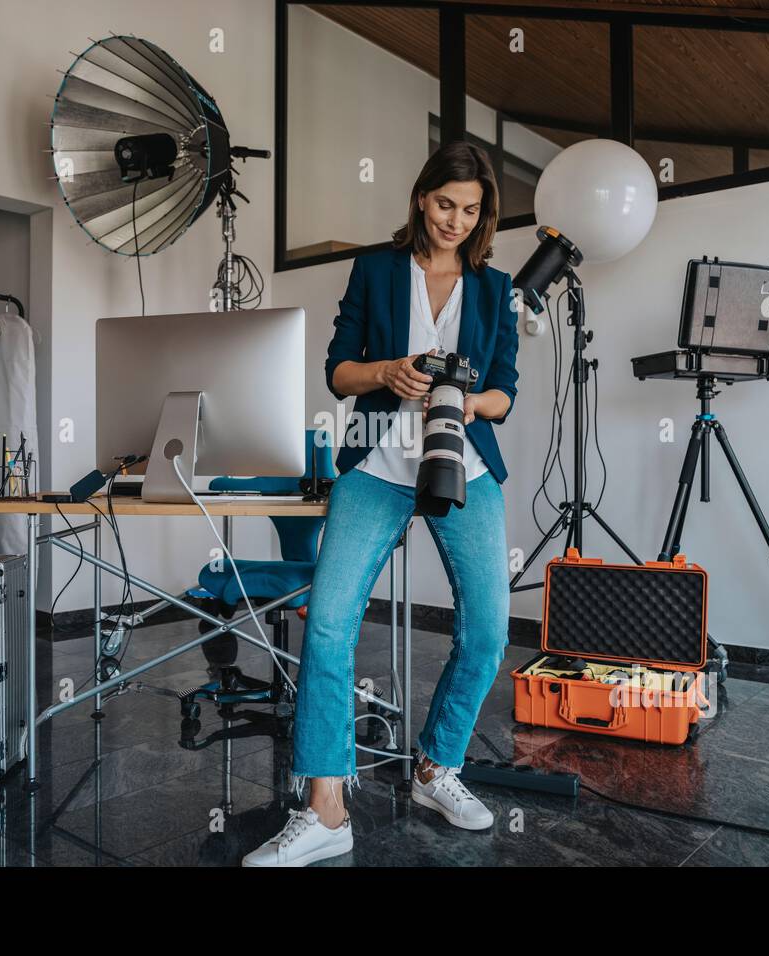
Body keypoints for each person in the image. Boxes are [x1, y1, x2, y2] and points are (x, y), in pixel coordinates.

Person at [243, 141, 519, 867]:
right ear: (419, 199)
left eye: (471, 208)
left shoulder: (494, 288)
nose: (456, 220)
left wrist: (462, 393)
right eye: (443, 204)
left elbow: (505, 394)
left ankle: (436, 768)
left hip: (468, 469)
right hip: (376, 462)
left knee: (488, 633)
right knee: (329, 625)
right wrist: (388, 372)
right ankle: (327, 808)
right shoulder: (375, 270)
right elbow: (339, 371)